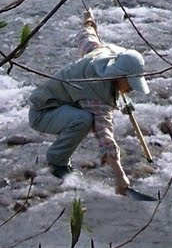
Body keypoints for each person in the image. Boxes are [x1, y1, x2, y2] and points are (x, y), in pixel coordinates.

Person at [26, 11, 156, 200]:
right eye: (130, 83)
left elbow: (87, 38)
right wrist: (120, 176)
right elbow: (105, 136)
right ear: (119, 75)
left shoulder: (103, 54)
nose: (132, 89)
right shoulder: (96, 93)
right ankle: (57, 162)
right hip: (43, 112)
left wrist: (88, 22)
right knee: (84, 119)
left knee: (84, 117)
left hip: (63, 105)